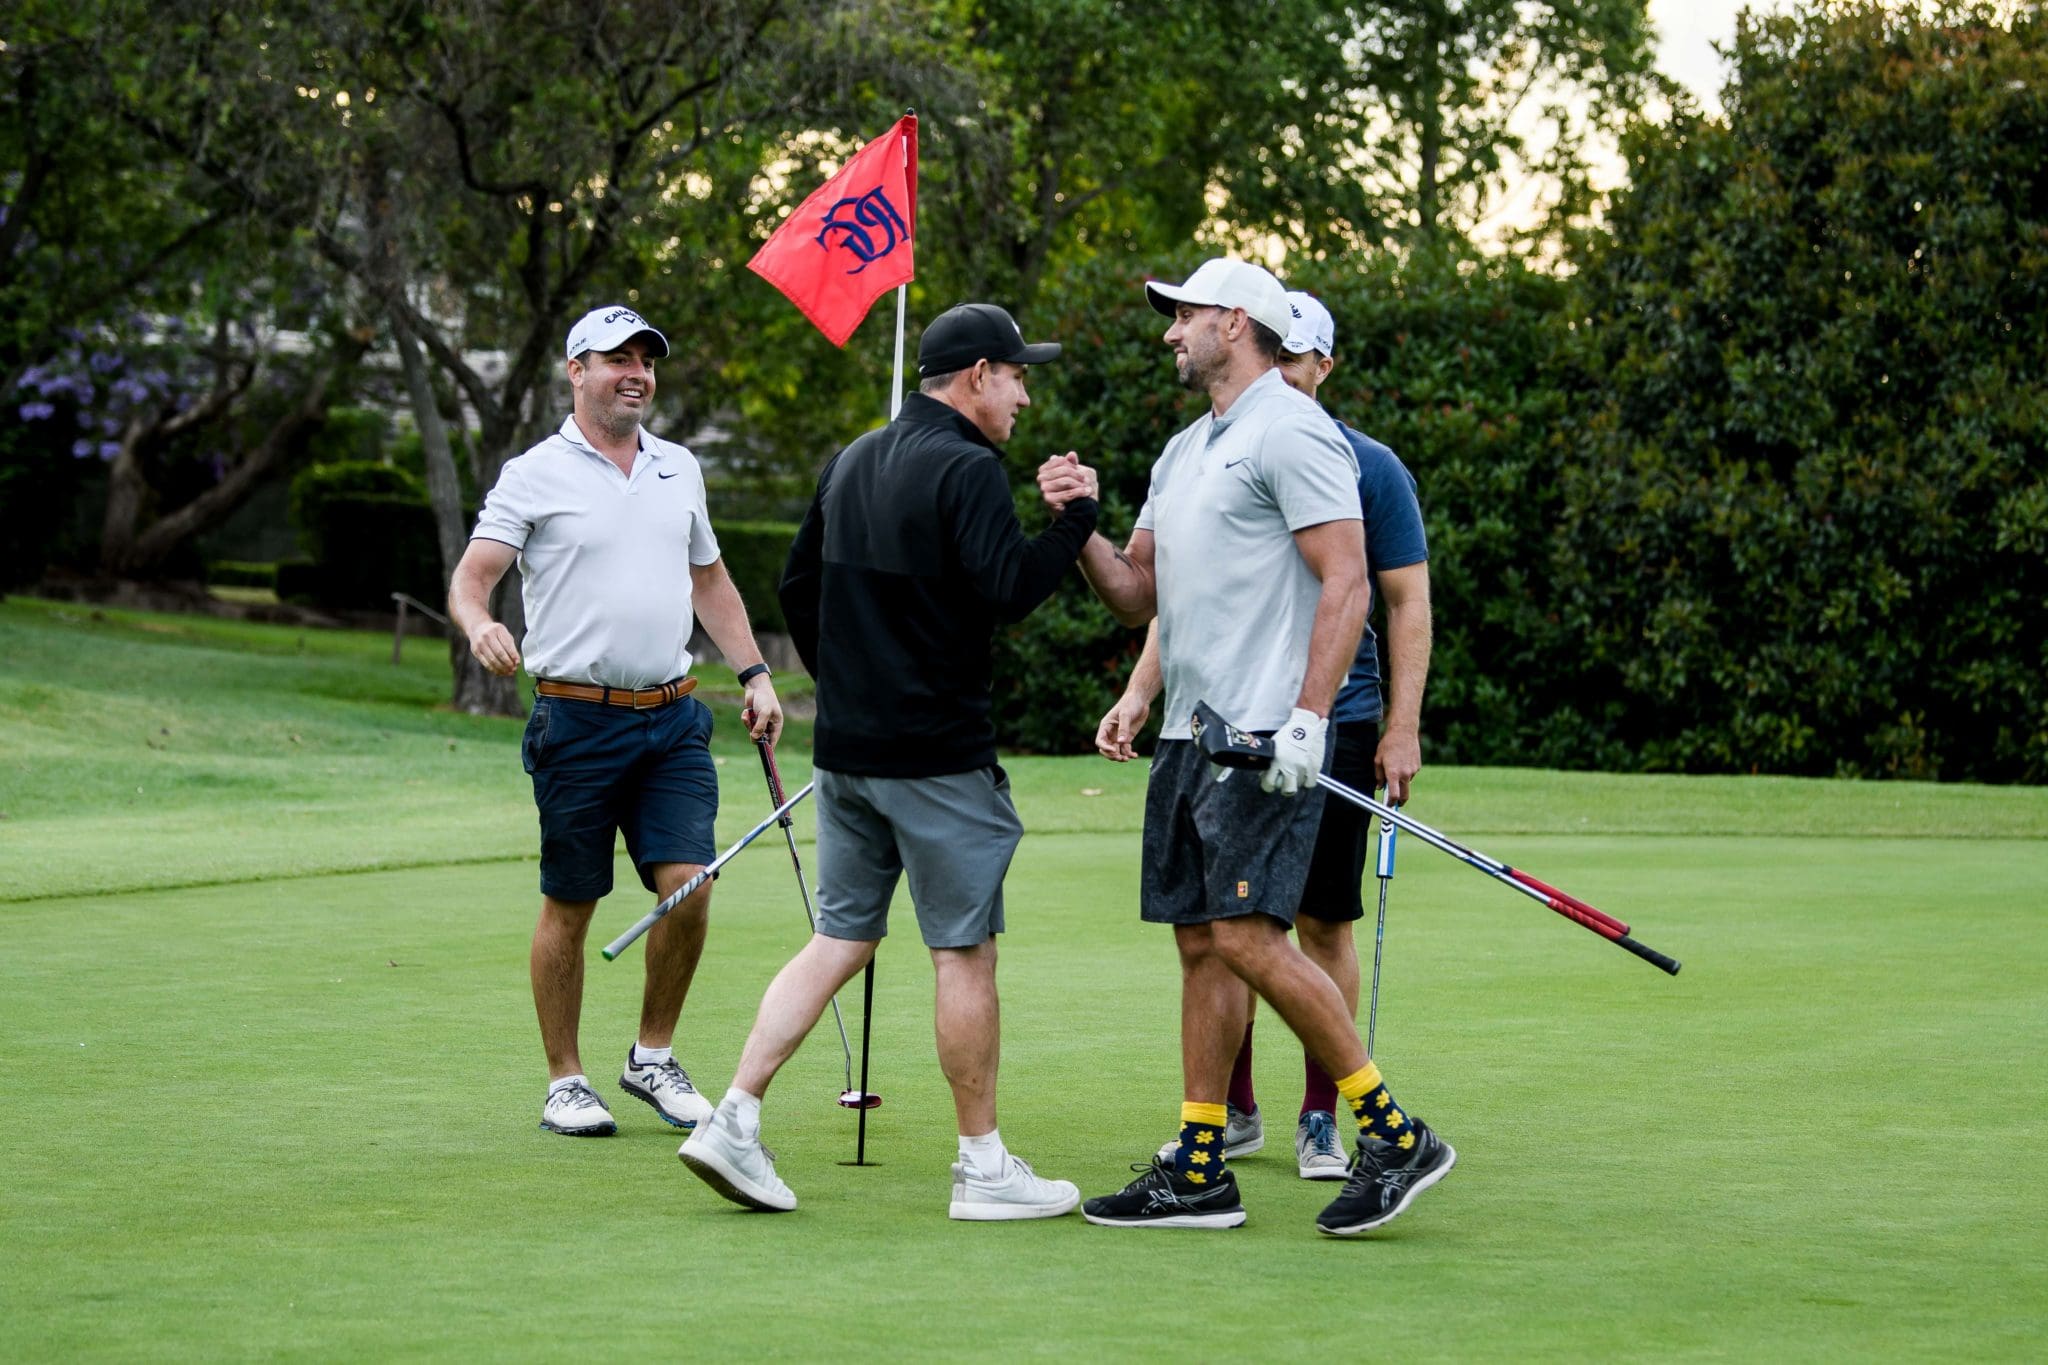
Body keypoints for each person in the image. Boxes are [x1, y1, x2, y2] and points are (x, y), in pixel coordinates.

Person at [679, 303, 1101, 1220]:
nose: (1026, 395)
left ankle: (733, 1116)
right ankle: (983, 1166)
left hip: (849, 748)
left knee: (840, 936)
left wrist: (852, 685)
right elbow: (1009, 588)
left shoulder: (852, 457)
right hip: (938, 756)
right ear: (977, 375)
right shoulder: (970, 466)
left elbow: (796, 583)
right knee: (963, 950)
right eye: (1019, 376)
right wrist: (1078, 521)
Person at [1063, 258, 1454, 1235]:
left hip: (1261, 737)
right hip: (1193, 738)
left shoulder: (1295, 432)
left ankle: (1391, 1132)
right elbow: (1135, 591)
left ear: (1233, 322)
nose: (1169, 333)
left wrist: (1311, 720)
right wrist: (1078, 527)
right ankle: (1199, 1165)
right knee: (1202, 944)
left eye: (1182, 315)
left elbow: (1350, 584)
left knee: (1244, 935)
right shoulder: (1185, 449)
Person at [449, 304, 784, 1140]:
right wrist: (480, 624)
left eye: (645, 358)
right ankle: (565, 1078)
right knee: (571, 901)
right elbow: (472, 579)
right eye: (616, 358)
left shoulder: (679, 469)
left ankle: (652, 1055)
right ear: (577, 370)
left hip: (672, 717)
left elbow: (711, 583)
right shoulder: (534, 472)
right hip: (575, 718)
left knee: (691, 885)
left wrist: (755, 672)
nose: (636, 371)